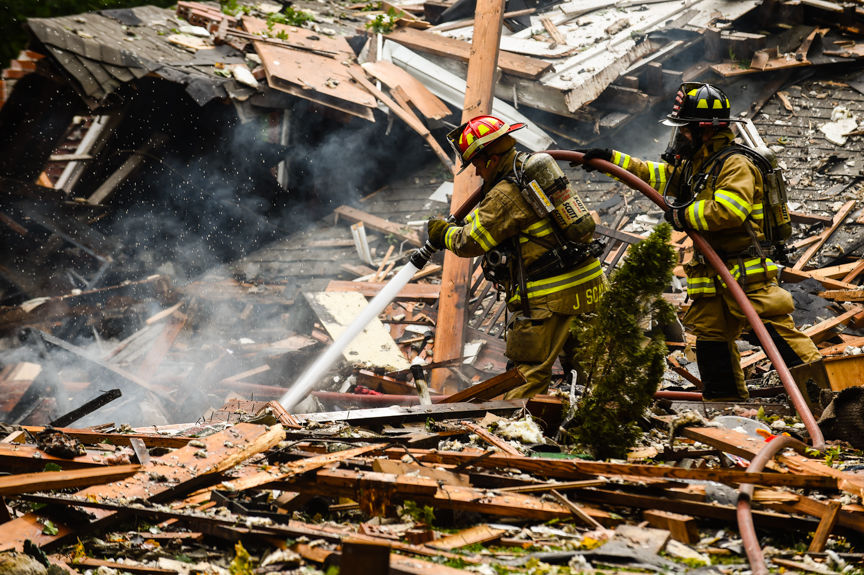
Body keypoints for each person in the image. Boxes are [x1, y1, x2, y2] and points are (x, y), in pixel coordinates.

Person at [580, 82, 823, 401]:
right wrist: (611, 160)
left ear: (703, 130)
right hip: (712, 275)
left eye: (685, 130)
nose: (680, 137)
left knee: (774, 332)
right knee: (710, 339)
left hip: (744, 272)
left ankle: (830, 398)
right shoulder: (699, 164)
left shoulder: (735, 164)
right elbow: (658, 176)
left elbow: (729, 212)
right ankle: (725, 405)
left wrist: (682, 217)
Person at [427, 115, 606, 399]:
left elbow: (469, 241)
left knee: (527, 376)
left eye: (476, 164)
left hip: (549, 299)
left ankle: (512, 436)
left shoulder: (505, 194)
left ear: (489, 159)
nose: (476, 173)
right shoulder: (526, 171)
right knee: (593, 370)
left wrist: (442, 234)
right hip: (588, 287)